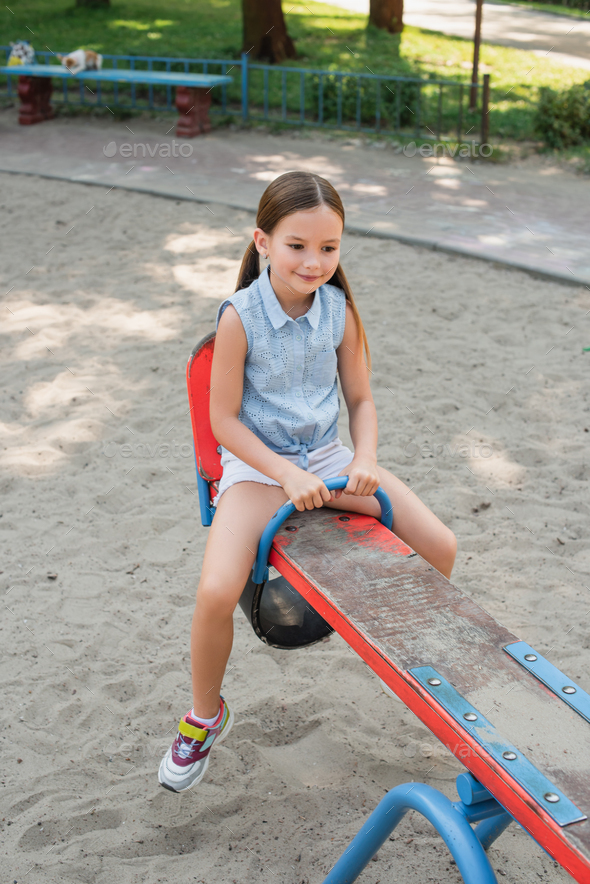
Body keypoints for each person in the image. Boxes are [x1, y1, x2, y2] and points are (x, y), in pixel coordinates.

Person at [158, 170, 457, 792]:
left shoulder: (339, 312)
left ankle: (409, 662)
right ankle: (204, 716)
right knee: (216, 591)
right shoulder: (241, 317)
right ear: (263, 242)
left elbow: (362, 400)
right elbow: (222, 422)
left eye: (329, 247)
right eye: (297, 245)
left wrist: (365, 456)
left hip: (324, 460)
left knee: (441, 544)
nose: (314, 261)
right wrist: (284, 472)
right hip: (258, 469)